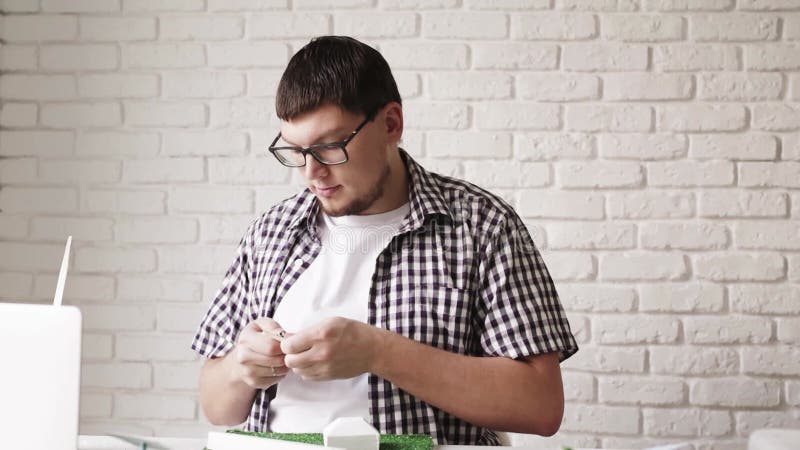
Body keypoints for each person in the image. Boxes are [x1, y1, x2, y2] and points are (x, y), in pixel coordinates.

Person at [192, 35, 578, 446]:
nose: (311, 173)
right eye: (295, 151)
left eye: (329, 147)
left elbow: (539, 406)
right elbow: (217, 407)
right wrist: (241, 367)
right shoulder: (270, 232)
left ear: (391, 124)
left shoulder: (482, 225)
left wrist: (378, 352)